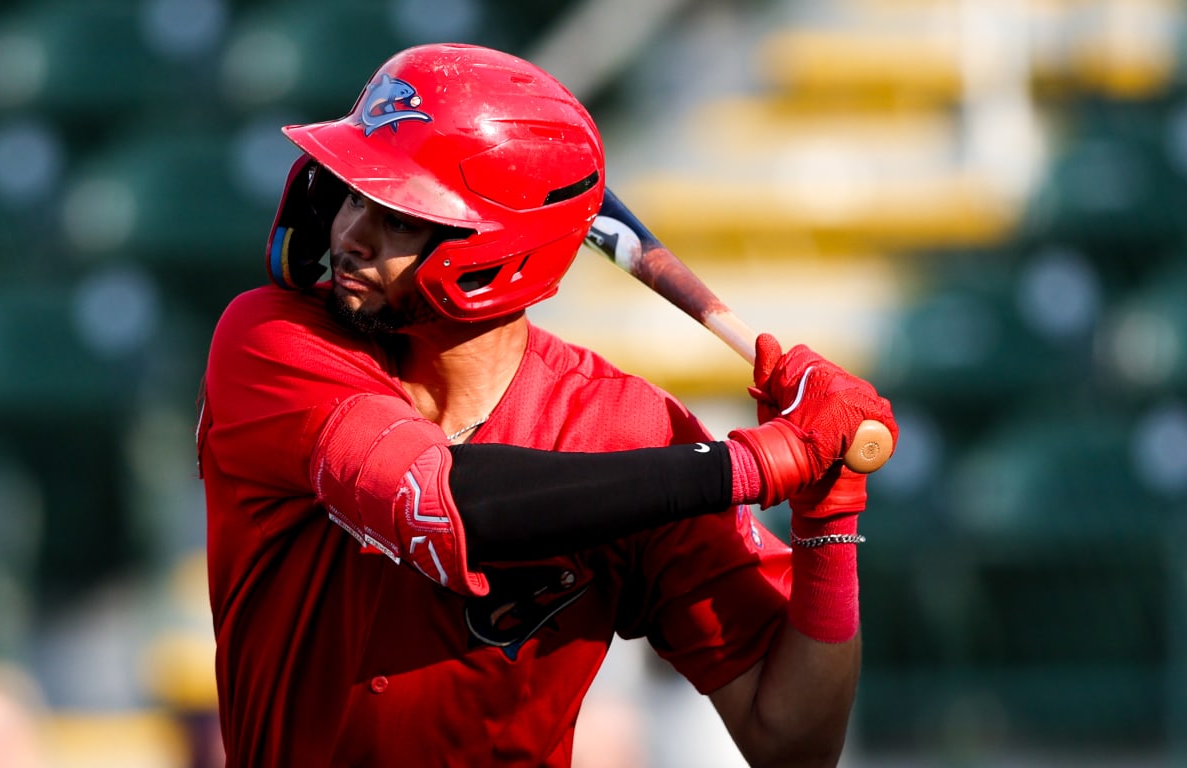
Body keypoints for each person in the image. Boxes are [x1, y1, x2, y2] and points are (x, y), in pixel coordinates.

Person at [197, 43, 897, 767]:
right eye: (352, 196)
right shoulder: (271, 340)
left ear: (498, 253)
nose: (348, 235)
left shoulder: (630, 432)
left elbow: (795, 745)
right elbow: (441, 503)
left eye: (398, 219)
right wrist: (757, 463)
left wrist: (828, 519)